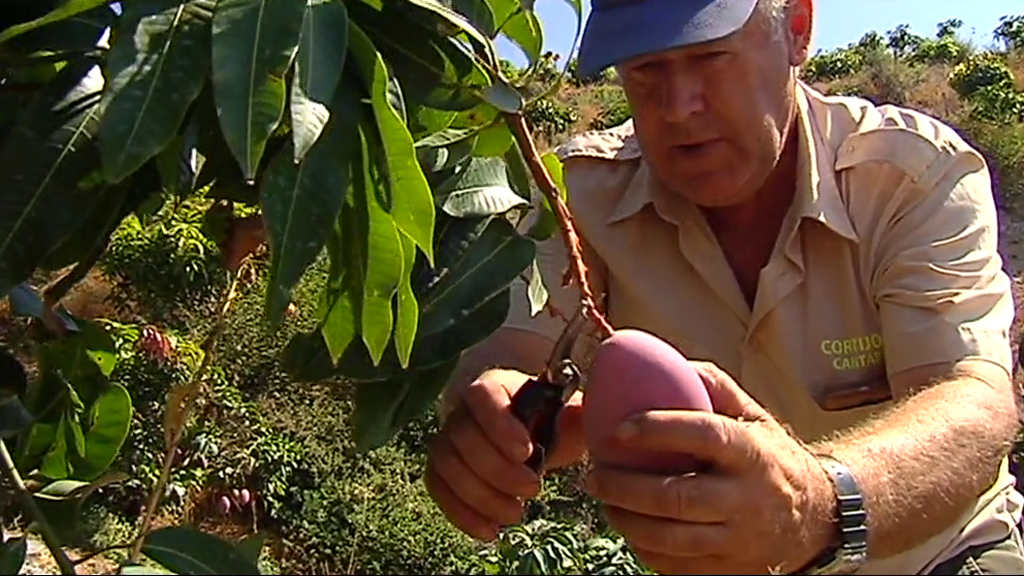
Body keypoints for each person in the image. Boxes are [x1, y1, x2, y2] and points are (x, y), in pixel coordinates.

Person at [424, 0, 1024, 573]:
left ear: (797, 29)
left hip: (941, 558)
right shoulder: (576, 199)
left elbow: (972, 404)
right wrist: (496, 435)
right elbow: (516, 380)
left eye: (712, 55)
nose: (679, 106)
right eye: (646, 67)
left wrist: (819, 503)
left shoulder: (909, 179)